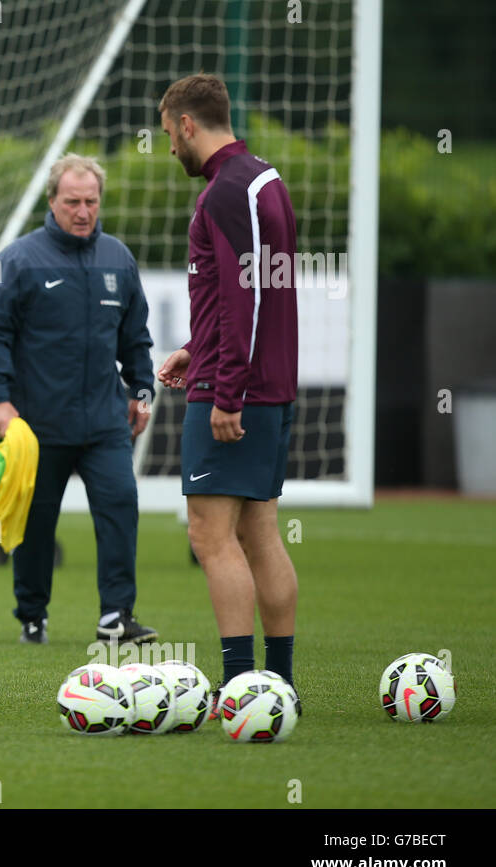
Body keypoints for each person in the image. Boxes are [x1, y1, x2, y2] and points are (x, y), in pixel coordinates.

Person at [0, 153, 159, 646]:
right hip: (37, 425)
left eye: (91, 201)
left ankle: (116, 616)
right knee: (36, 525)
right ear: (52, 201)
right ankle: (32, 616)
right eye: (72, 201)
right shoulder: (17, 260)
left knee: (121, 506)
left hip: (105, 422)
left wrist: (141, 391)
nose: (83, 211)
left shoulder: (119, 258)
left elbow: (135, 338)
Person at [154, 74, 300, 711]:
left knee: (211, 536)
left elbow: (250, 297)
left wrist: (227, 391)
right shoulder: (262, 178)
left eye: (169, 134)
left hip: (238, 389)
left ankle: (243, 685)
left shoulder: (228, 191)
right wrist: (198, 345)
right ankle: (278, 683)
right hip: (258, 381)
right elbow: (244, 291)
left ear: (188, 124)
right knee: (259, 532)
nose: (169, 148)